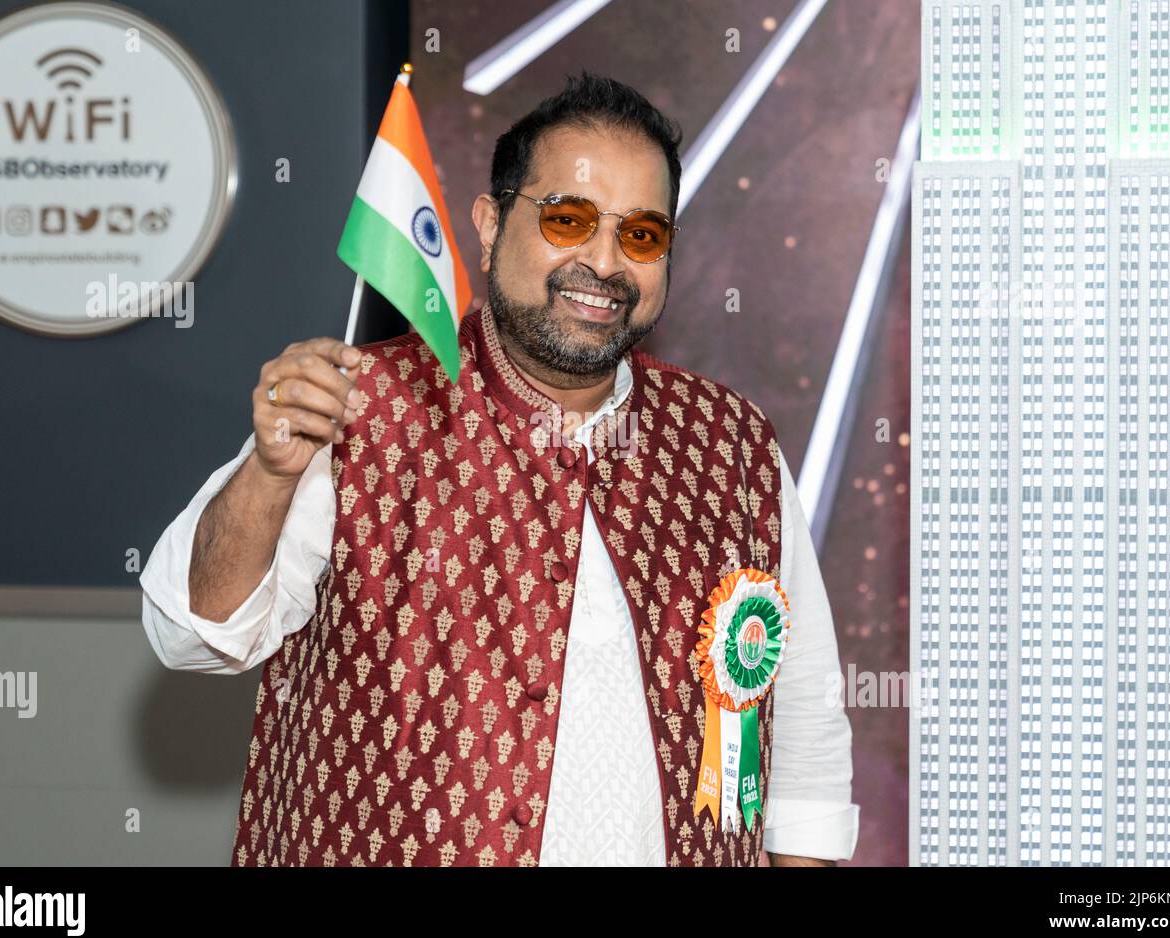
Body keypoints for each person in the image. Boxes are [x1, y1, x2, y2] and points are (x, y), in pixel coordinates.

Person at [140, 72, 858, 867]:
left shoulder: (731, 444)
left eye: (643, 235)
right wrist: (271, 476)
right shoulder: (357, 409)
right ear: (488, 226)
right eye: (569, 218)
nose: (605, 262)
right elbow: (195, 634)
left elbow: (804, 742)